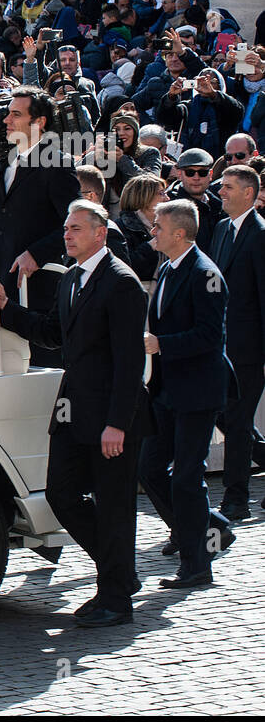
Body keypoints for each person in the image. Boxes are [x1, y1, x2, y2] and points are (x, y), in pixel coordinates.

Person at [0, 201, 149, 626]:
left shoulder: (122, 283)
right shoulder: (71, 278)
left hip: (111, 415)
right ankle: (120, 572)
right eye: (66, 228)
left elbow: (130, 363)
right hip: (73, 409)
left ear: (101, 233)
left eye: (76, 228)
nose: (67, 235)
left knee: (114, 506)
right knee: (61, 493)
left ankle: (115, 599)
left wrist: (118, 424)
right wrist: (7, 307)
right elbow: (54, 334)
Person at [140, 200, 235, 590]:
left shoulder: (205, 273)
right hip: (167, 389)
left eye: (158, 227)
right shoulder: (168, 267)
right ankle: (204, 526)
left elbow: (211, 336)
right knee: (149, 468)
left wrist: (161, 344)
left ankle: (197, 565)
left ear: (179, 233)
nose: (152, 232)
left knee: (186, 478)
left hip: (198, 390)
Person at [0, 87, 79, 361]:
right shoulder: (5, 162)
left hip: (36, 286)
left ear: (39, 123)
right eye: (7, 114)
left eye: (15, 114)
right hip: (2, 278)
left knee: (37, 364)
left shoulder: (59, 164)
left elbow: (74, 225)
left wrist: (38, 253)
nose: (6, 121)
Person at [207, 167, 265, 521]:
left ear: (248, 193)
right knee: (227, 417)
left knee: (239, 421)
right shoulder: (221, 229)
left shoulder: (260, 235)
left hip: (249, 347)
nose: (222, 192)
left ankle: (236, 497)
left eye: (228, 187)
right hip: (222, 346)